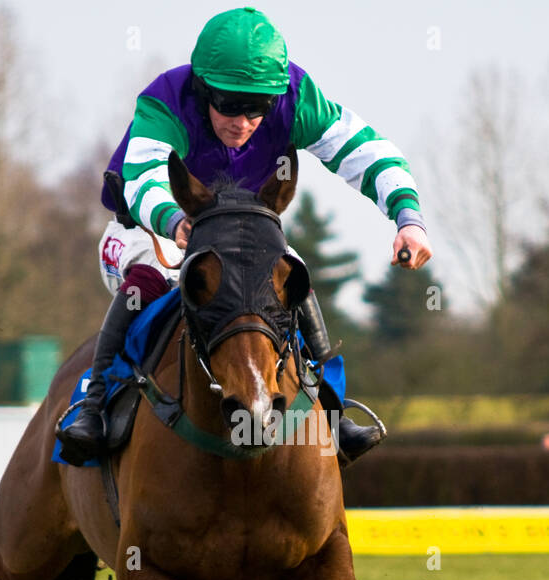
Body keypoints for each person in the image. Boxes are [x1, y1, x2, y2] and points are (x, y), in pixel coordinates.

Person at [58, 6, 433, 465]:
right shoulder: (165, 99)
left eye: (257, 108)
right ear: (202, 90)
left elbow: (364, 150)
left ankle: (334, 413)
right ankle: (92, 406)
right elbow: (143, 176)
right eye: (229, 106)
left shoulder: (295, 97)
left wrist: (408, 217)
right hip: (148, 230)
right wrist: (175, 220)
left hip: (243, 239)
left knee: (292, 278)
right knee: (148, 281)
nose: (242, 122)